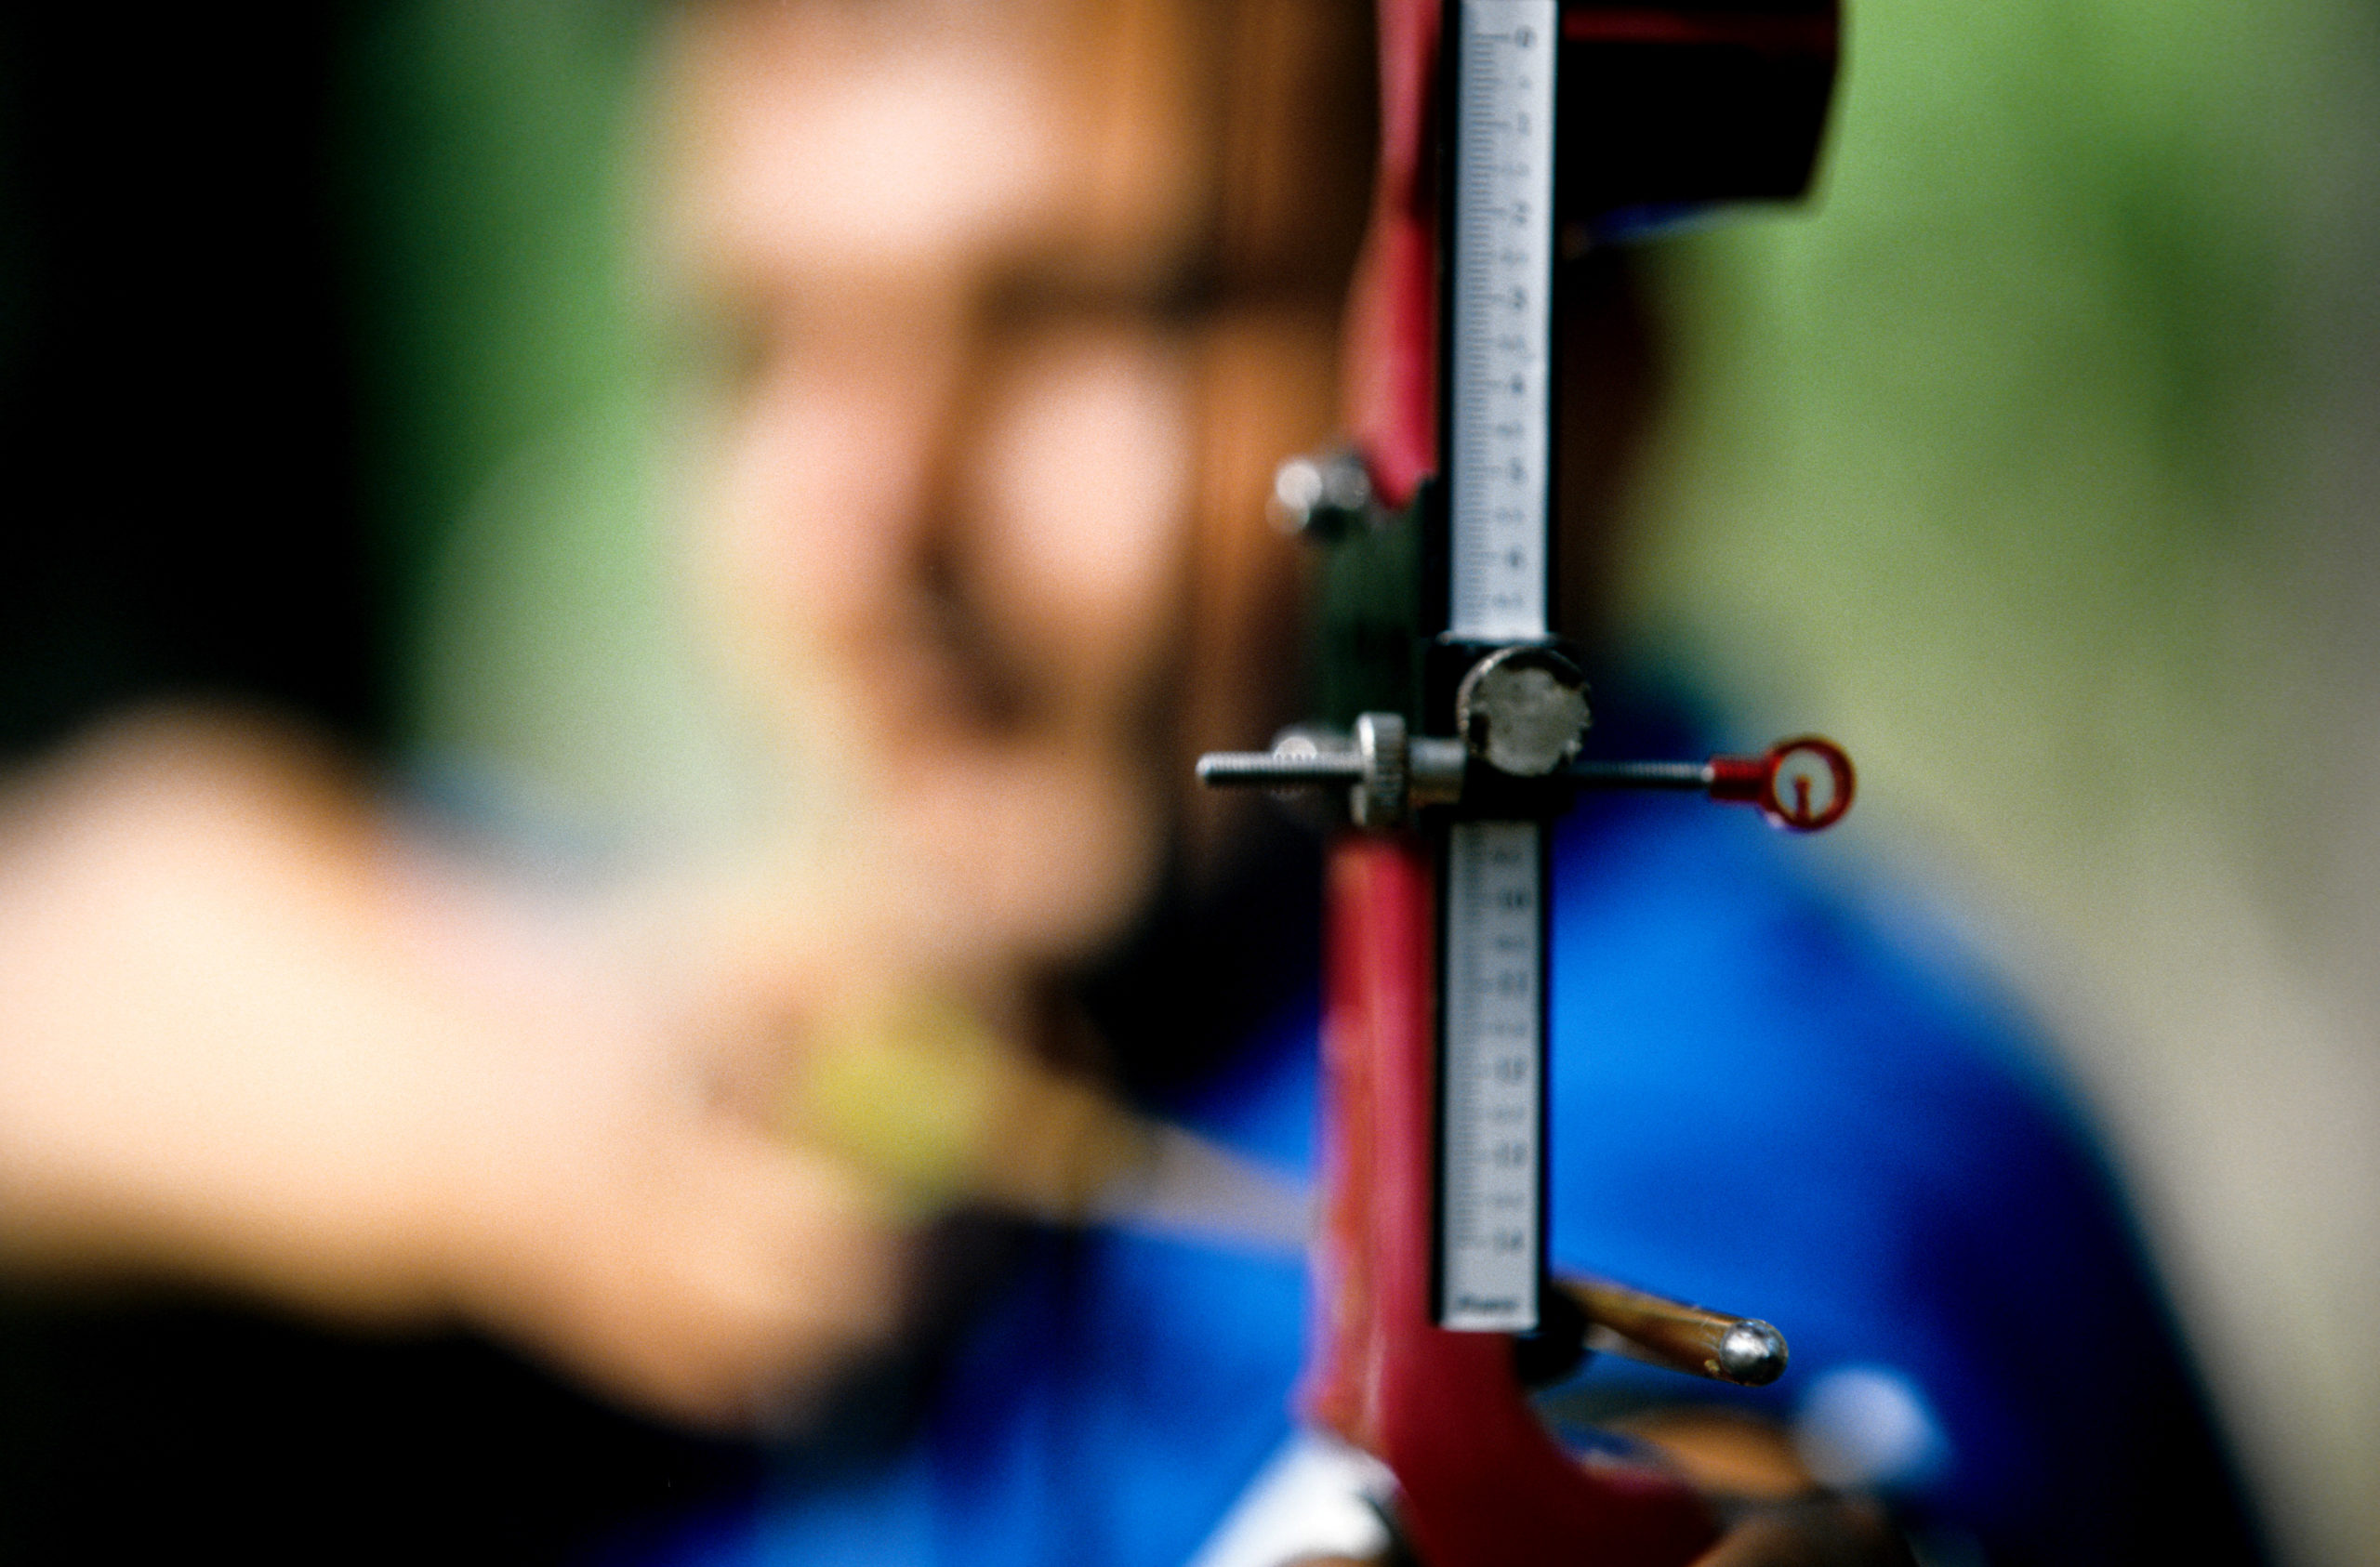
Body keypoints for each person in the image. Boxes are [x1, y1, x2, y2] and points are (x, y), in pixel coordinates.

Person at [0, 1, 2264, 1563]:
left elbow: (1722, 1428)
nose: (864, 521)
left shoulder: (1741, 1097)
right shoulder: (771, 1007)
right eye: (761, 341)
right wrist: (504, 1113)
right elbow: (85, 937)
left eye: (1079, 311)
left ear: (1578, 385)